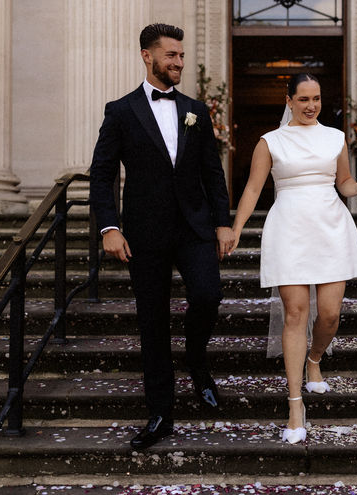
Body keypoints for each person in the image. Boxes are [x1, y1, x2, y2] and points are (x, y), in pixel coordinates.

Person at [90, 23, 234, 450]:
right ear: (146, 56)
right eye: (171, 55)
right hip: (144, 232)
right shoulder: (120, 111)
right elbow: (102, 173)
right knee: (152, 323)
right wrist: (109, 227)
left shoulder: (196, 110)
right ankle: (160, 414)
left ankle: (195, 359)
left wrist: (222, 222)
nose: (179, 62)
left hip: (194, 227)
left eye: (181, 55)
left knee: (208, 296)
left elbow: (212, 170)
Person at [231, 73, 357, 444]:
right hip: (289, 228)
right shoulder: (270, 142)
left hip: (330, 226)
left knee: (329, 314)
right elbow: (252, 188)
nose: (312, 106)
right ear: (289, 100)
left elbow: (342, 182)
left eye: (317, 98)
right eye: (304, 99)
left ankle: (315, 359)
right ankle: (295, 404)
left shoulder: (335, 137)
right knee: (295, 313)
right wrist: (236, 229)